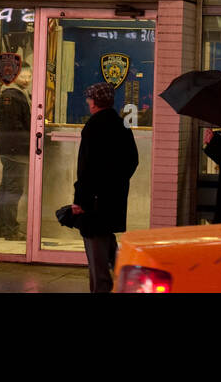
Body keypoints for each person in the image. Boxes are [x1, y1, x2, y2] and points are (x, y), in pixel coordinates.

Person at [71, 82, 139, 293]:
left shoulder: (93, 127)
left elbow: (86, 169)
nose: (87, 102)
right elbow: (133, 160)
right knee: (108, 245)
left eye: (89, 99)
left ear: (94, 103)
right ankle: (124, 281)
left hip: (94, 202)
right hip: (114, 198)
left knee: (97, 257)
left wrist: (80, 201)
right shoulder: (121, 126)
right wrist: (118, 183)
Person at [0, 67, 31, 241]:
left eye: (29, 76)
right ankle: (10, 229)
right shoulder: (14, 96)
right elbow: (15, 125)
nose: (27, 79)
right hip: (16, 151)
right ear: (15, 76)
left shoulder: (15, 94)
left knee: (6, 188)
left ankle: (1, 227)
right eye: (23, 75)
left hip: (9, 149)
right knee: (13, 190)